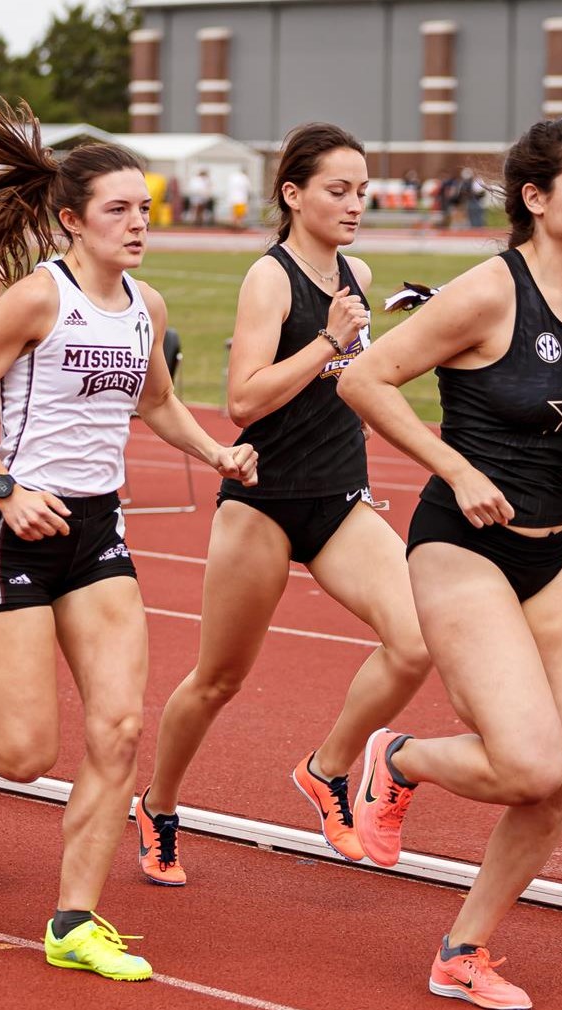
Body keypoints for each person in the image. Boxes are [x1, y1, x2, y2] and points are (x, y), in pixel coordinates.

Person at [0, 90, 257, 981]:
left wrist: (216, 450)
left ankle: (74, 918)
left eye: (144, 208)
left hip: (97, 534)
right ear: (71, 219)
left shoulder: (148, 304)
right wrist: (4, 486)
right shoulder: (35, 298)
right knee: (26, 752)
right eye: (118, 210)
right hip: (14, 530)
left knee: (117, 727)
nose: (138, 224)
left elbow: (155, 401)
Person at [338, 116, 562, 1010]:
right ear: (536, 199)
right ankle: (400, 756)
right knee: (530, 763)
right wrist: (456, 470)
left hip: (551, 555)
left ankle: (464, 949)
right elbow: (365, 378)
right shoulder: (487, 293)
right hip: (461, 548)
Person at [137, 123, 431, 886]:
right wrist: (327, 342)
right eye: (339, 190)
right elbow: (242, 399)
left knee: (417, 638)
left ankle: (327, 767)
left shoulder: (359, 272)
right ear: (293, 195)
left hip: (338, 499)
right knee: (218, 678)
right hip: (263, 500)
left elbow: (358, 383)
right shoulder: (270, 278)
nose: (355, 204)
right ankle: (158, 804)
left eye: (362, 190)